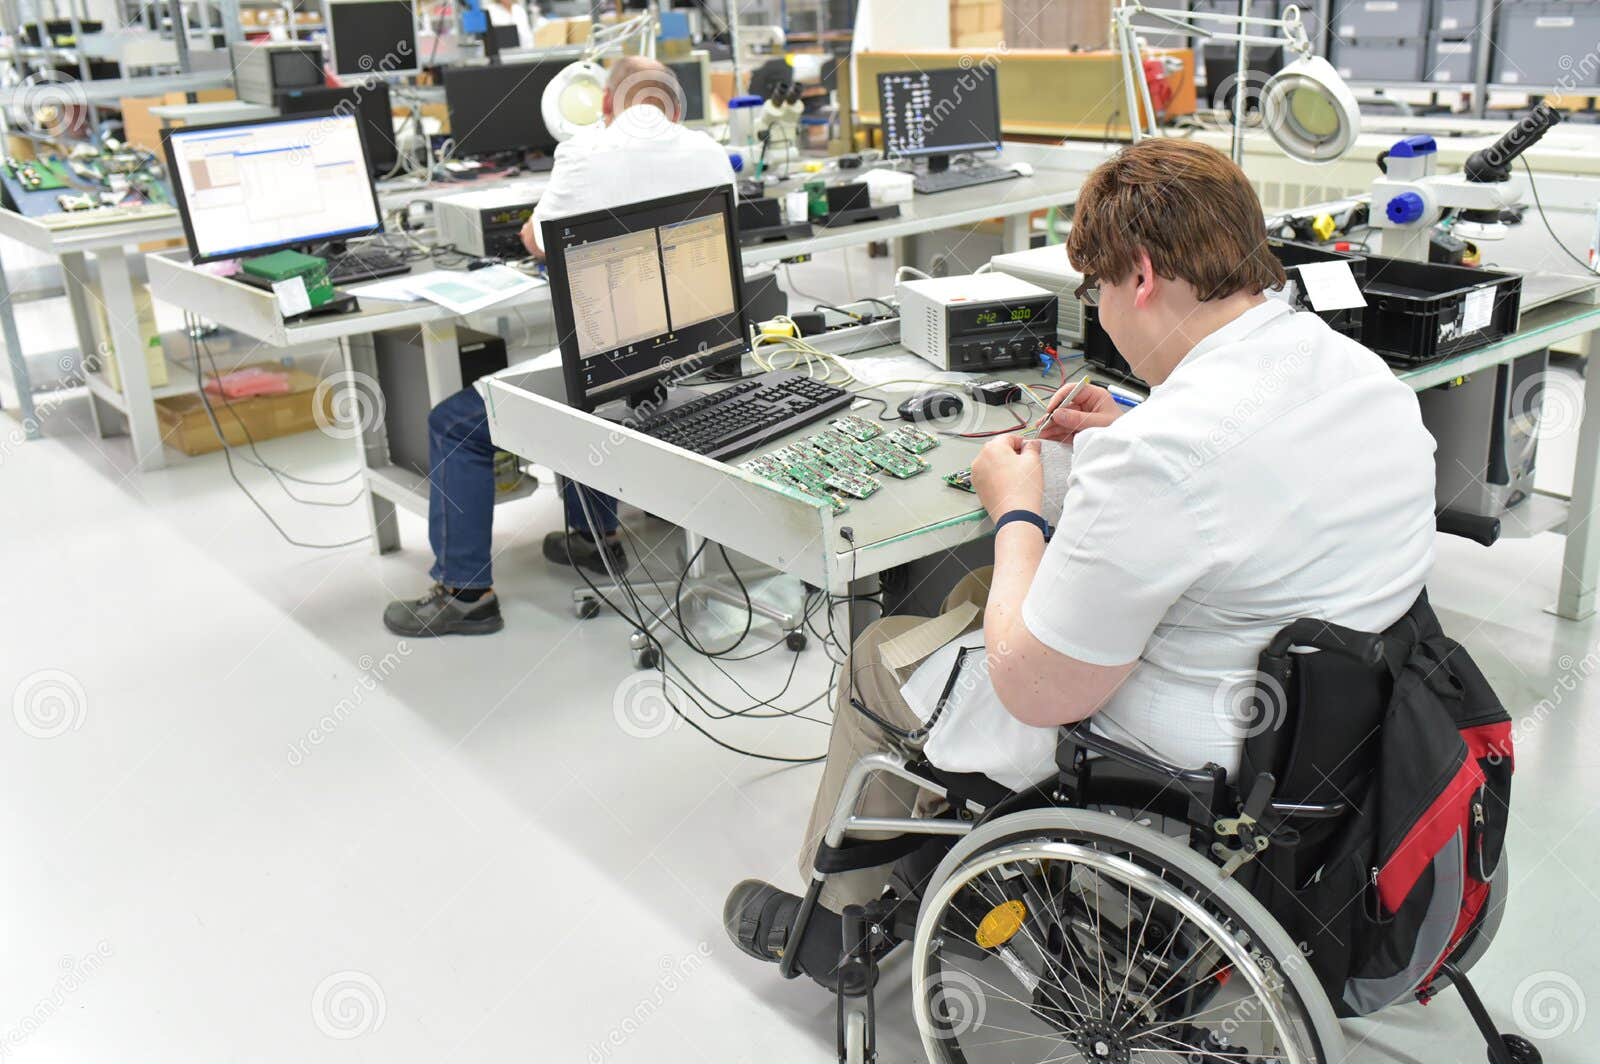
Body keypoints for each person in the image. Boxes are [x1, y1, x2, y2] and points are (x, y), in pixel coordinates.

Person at [723, 138, 1440, 989]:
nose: (1098, 311)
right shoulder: (1357, 374)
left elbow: (1036, 689)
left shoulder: (1161, 453)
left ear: (1139, 276)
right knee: (977, 595)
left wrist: (1017, 506)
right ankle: (950, 850)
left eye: (1095, 289)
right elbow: (1255, 476)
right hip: (1339, 731)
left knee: (880, 657)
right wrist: (1126, 425)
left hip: (1199, 752)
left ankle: (839, 925)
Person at [384, 57, 733, 638]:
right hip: (686, 355)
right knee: (590, 387)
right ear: (676, 109)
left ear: (603, 107)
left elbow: (539, 239)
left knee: (460, 423)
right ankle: (595, 541)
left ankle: (465, 595)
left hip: (609, 361)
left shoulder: (584, 153)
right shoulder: (709, 152)